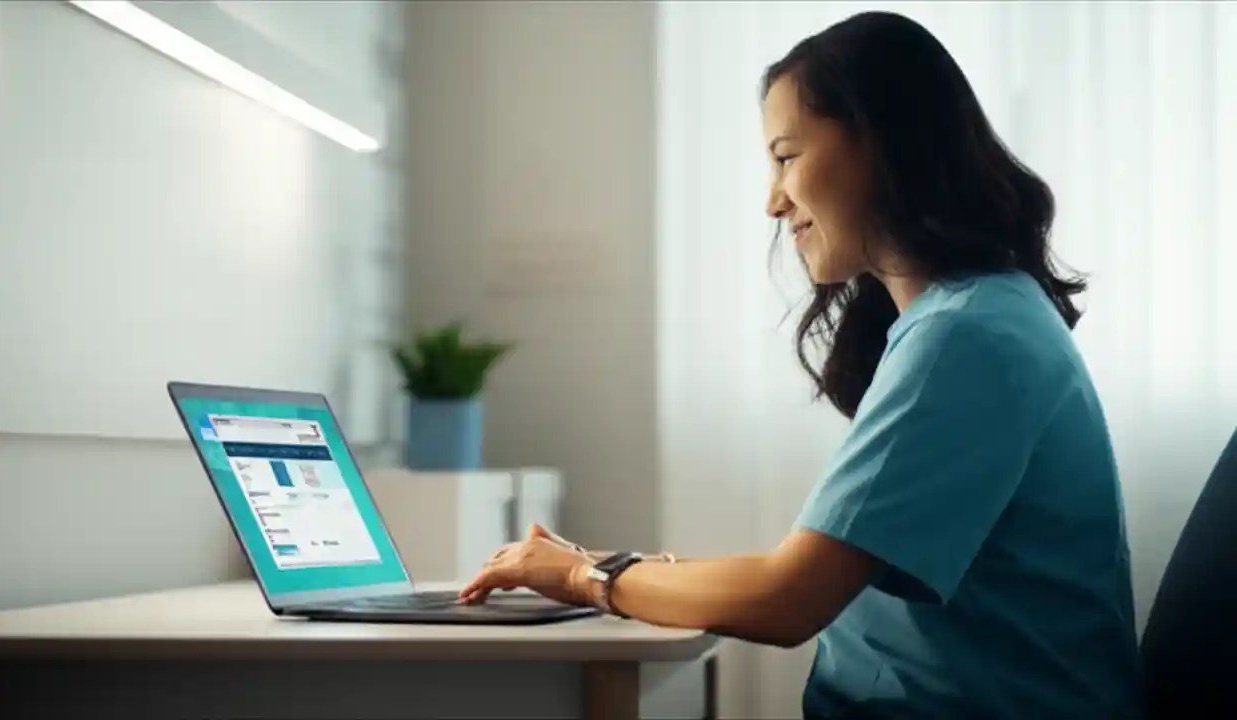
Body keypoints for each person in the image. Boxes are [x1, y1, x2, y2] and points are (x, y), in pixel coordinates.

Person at [459, 11, 1141, 718]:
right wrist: (596, 565)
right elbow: (796, 571)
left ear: (883, 141)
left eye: (786, 157)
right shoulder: (982, 313)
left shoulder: (963, 336)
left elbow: (787, 598)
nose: (773, 201)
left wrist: (583, 577)